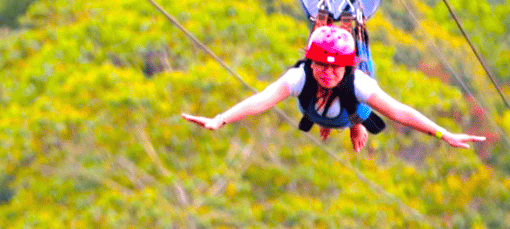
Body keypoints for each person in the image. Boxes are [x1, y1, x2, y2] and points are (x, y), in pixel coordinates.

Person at [182, 25, 485, 152]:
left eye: (334, 68)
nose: (327, 73)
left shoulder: (357, 81)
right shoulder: (300, 76)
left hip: (350, 112)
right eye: (321, 66)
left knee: (354, 108)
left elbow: (399, 112)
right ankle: (327, 121)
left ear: (346, 67)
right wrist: (220, 119)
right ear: (310, 62)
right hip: (315, 110)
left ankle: (356, 127)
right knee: (320, 106)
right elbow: (261, 101)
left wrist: (443, 134)